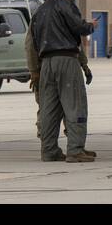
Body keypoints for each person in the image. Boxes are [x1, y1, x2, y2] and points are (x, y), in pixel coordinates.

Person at [30, 0, 98, 162]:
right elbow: (79, 27)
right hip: (66, 60)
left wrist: (36, 69)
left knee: (49, 109)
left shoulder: (39, 11)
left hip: (46, 63)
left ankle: (49, 150)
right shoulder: (64, 5)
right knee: (75, 104)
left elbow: (33, 41)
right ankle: (75, 149)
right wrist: (91, 26)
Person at [25, 14, 92, 143]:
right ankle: (73, 145)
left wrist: (34, 71)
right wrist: (84, 66)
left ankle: (48, 145)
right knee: (70, 107)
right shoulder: (65, 16)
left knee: (46, 108)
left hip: (45, 69)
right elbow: (77, 45)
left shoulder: (39, 18)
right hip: (61, 68)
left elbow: (30, 46)